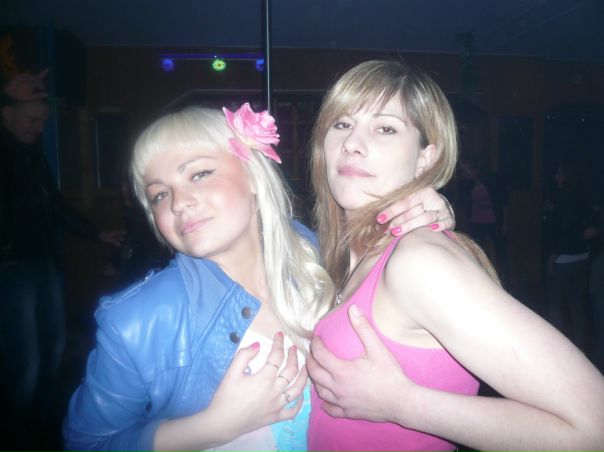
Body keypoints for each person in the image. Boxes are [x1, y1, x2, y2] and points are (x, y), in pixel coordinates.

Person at [63, 104, 454, 452]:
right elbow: (86, 443)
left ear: (251, 174)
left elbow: (389, 249)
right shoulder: (137, 320)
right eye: (160, 195)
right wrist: (211, 428)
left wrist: (423, 206)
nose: (179, 203)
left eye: (199, 174)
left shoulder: (320, 256)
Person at [306, 60, 604, 452]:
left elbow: (594, 427)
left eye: (385, 128)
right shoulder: (340, 253)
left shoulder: (419, 261)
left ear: (426, 158)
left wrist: (401, 403)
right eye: (342, 123)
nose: (352, 144)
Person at [0, 72, 124, 449]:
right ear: (6, 114)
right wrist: (4, 91)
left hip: (43, 264)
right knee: (25, 362)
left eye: (42, 121)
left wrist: (96, 233)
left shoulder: (32, 155)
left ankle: (39, 428)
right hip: (10, 267)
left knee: (53, 349)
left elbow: (54, 206)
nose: (38, 127)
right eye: (31, 119)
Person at [542, 161, 598, 350]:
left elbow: (564, 232)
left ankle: (556, 350)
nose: (556, 177)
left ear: (568, 176)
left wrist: (552, 257)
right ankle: (580, 347)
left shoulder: (564, 199)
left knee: (555, 305)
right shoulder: (584, 197)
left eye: (559, 174)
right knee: (576, 304)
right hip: (582, 257)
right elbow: (591, 227)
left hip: (563, 260)